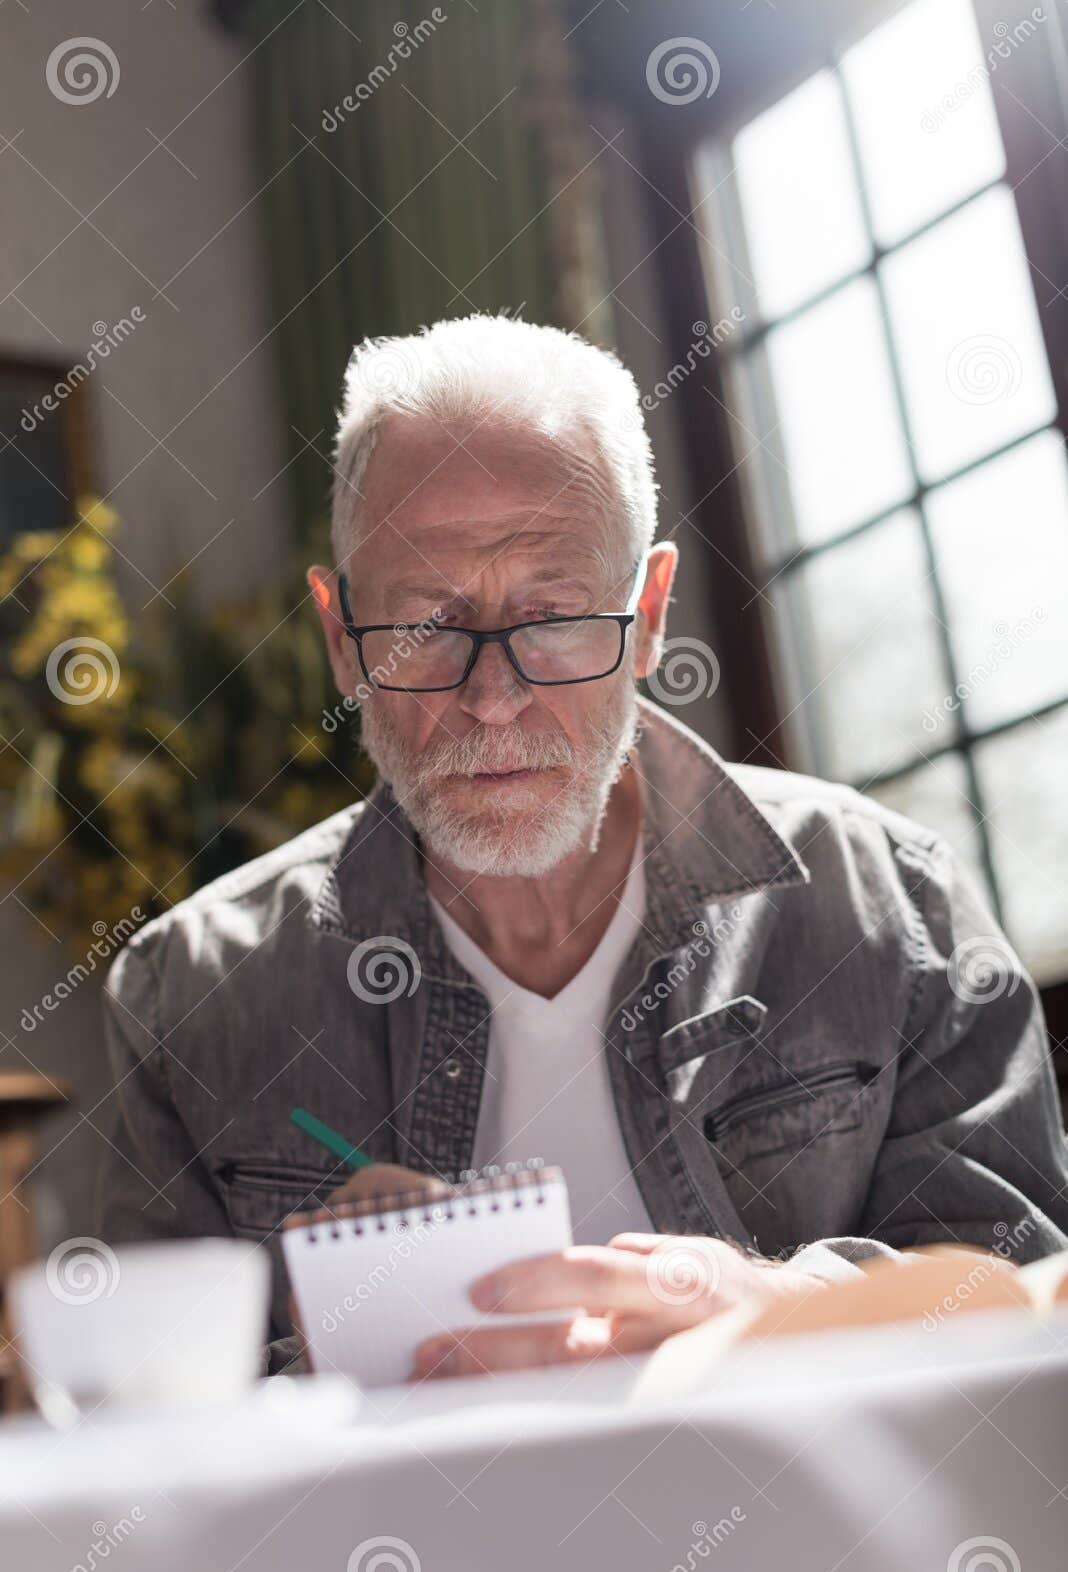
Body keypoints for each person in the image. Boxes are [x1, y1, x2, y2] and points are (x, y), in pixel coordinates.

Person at [97, 314, 1068, 1379]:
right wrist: (330, 1371)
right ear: (340, 639)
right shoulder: (189, 996)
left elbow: (1025, 1312)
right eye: (427, 624)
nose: (494, 699)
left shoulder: (894, 907)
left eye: (554, 617)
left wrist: (771, 1303)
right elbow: (154, 1446)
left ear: (648, 615)